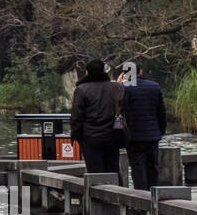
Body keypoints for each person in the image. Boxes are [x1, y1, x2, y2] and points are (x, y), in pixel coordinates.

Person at [70, 59, 123, 179]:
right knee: (113, 169)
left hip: (90, 137)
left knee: (95, 172)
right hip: (113, 135)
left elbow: (76, 116)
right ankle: (117, 195)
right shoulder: (116, 87)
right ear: (104, 71)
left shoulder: (82, 89)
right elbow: (124, 109)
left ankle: (99, 197)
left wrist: (76, 136)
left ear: (87, 72)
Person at [121, 62, 168, 190]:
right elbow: (161, 112)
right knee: (152, 165)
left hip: (134, 136)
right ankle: (153, 193)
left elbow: (122, 110)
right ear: (140, 72)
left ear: (125, 74)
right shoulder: (154, 86)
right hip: (152, 135)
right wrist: (161, 131)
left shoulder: (125, 88)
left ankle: (141, 196)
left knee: (137, 166)